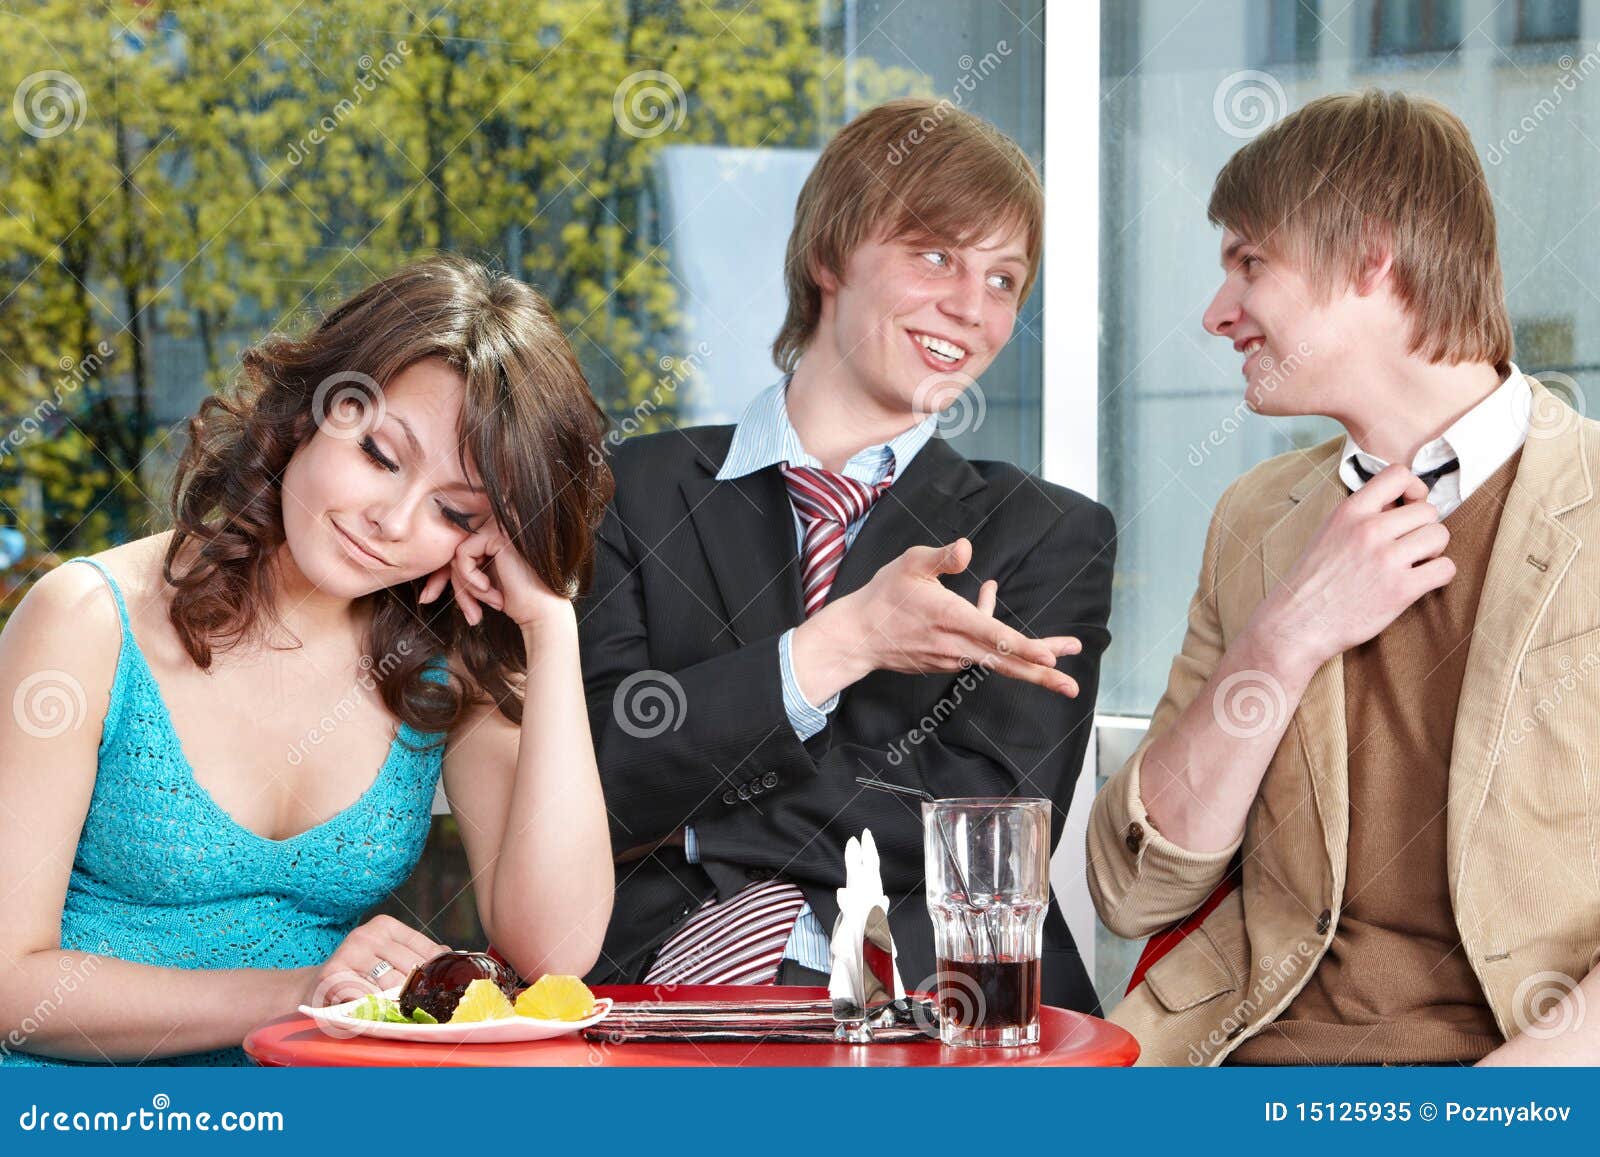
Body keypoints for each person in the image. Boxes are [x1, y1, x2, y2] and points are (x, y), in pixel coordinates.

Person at [1088, 89, 1600, 1065]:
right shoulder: (1255, 517)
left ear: (1370, 255)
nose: (1215, 312)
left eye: (1249, 263)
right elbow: (1133, 887)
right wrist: (1285, 638)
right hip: (1237, 1062)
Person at [0, 256, 615, 1065]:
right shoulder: (85, 620)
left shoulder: (443, 661)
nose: (392, 519)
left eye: (453, 509)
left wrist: (549, 627)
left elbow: (557, 950)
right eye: (380, 456)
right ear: (306, 414)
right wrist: (300, 988)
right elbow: (10, 981)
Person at [578, 97, 1116, 1012]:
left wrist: (693, 809)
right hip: (653, 985)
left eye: (1001, 280)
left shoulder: (1045, 534)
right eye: (936, 254)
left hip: (945, 1006)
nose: (968, 306)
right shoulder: (630, 491)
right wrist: (837, 647)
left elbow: (977, 831)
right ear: (829, 254)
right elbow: (594, 771)